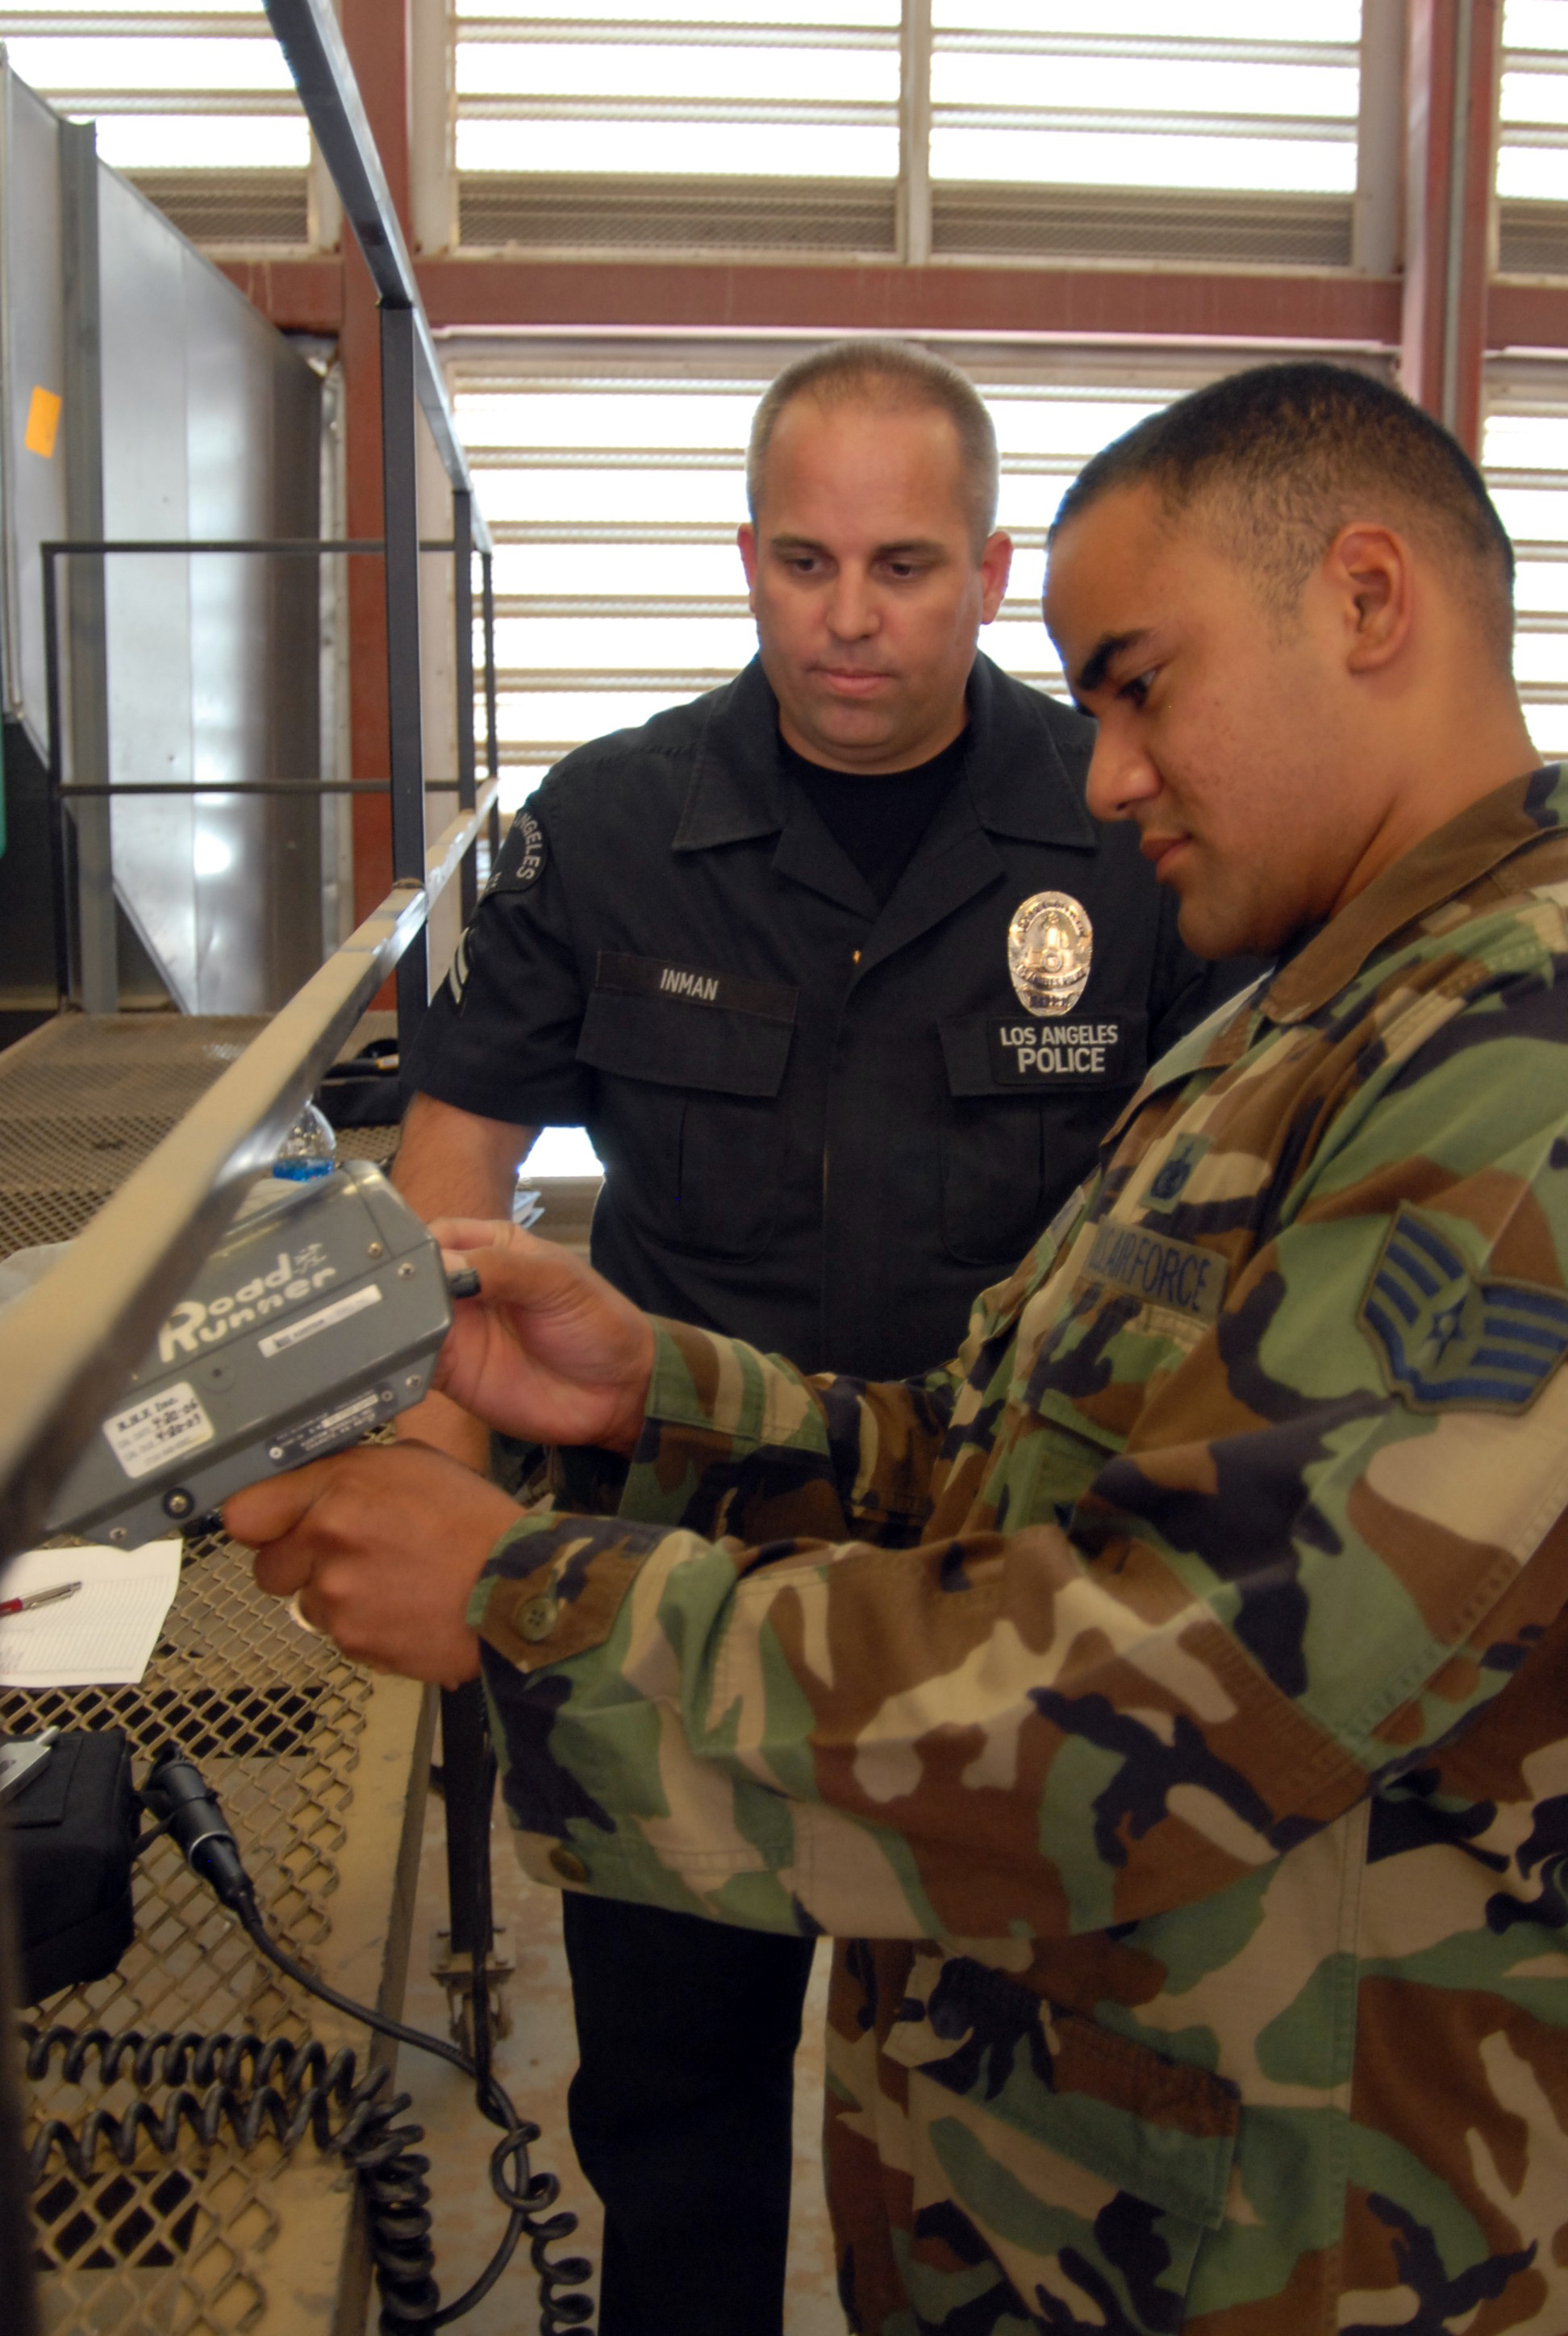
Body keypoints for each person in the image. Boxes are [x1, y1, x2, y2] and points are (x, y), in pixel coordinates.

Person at [230, 359, 1568, 2330]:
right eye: (806, 560)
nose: (1109, 777)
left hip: (1285, 2222)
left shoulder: (1515, 1070)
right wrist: (660, 1390)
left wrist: (524, 1595)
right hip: (1073, 2132)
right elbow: (1020, 1456)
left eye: (1142, 685)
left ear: (1368, 599)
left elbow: (1179, 1682)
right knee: (672, 2126)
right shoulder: (1323, 1015)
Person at [389, 340, 1238, 2334]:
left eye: (906, 565)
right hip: (670, 1598)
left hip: (1007, 1612)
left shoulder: (1130, 833)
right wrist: (436, 1503)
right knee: (674, 2120)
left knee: (1012, 2158)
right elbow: (450, 1190)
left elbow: (1221, 1230)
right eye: (806, 560)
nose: (851, 617)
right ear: (746, 557)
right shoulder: (611, 826)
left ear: (992, 569)